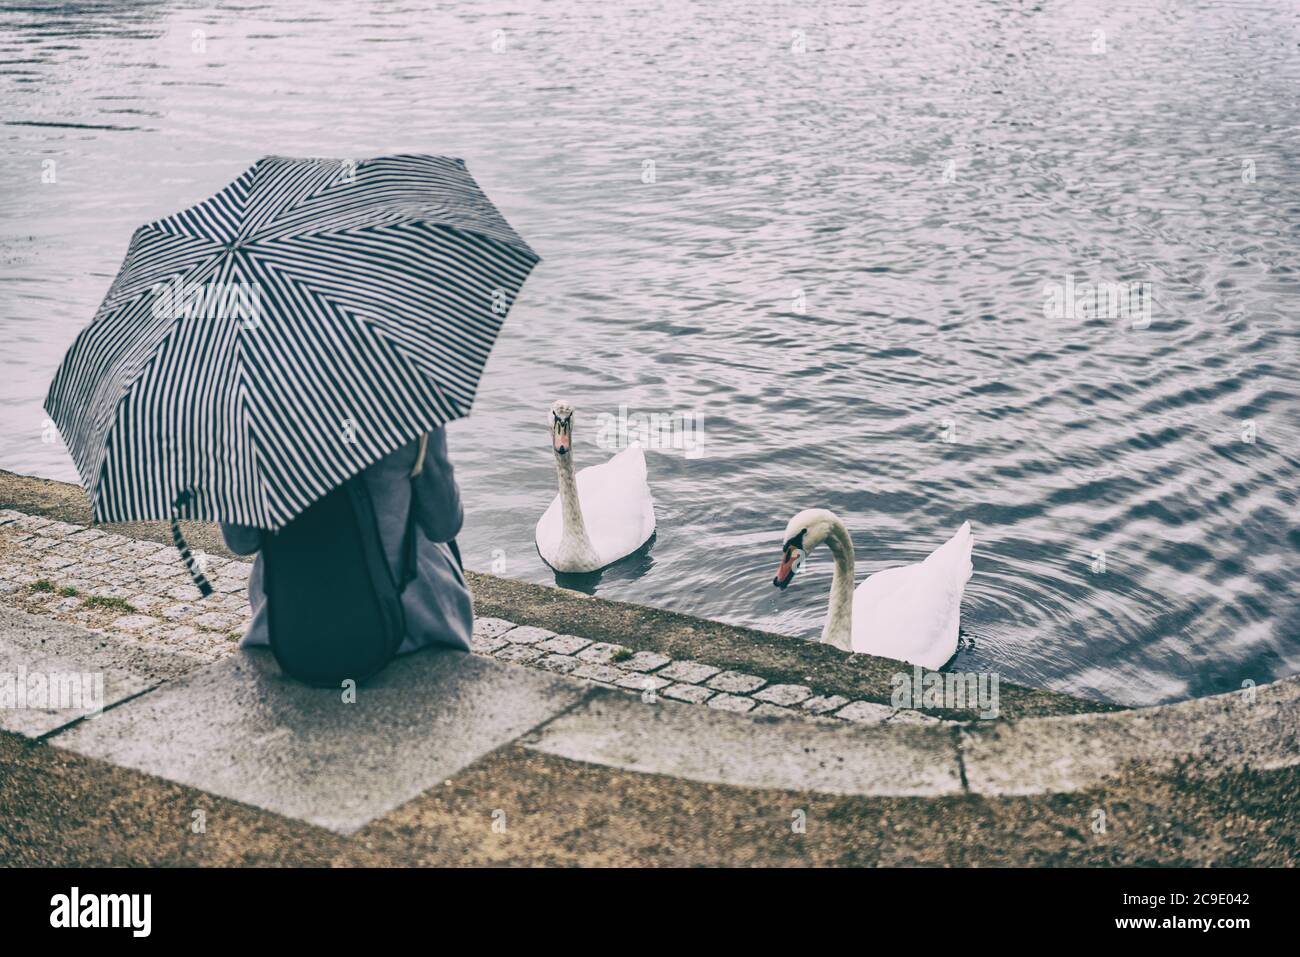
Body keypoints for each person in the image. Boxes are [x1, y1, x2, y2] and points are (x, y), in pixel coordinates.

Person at [221, 428, 472, 655]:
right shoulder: (409, 406)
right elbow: (443, 525)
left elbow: (241, 541)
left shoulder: (251, 419)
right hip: (412, 621)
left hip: (283, 619)